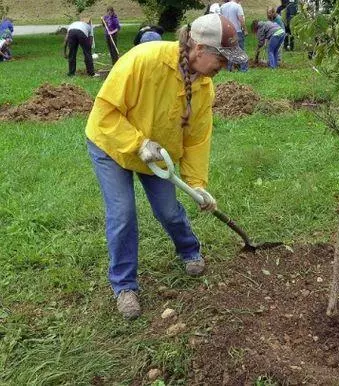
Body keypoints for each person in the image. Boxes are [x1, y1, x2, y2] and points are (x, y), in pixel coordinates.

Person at [85, 13, 248, 320]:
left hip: (158, 154)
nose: (223, 68)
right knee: (122, 214)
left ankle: (189, 251)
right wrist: (137, 143)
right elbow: (105, 113)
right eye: (222, 60)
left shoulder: (203, 86)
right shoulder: (145, 60)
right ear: (199, 50)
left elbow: (197, 139)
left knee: (169, 210)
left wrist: (197, 183)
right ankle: (124, 286)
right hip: (111, 144)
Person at [220, 0, 249, 72]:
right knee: (241, 50)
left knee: (230, 50)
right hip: (237, 31)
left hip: (226, 32)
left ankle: (229, 68)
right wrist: (245, 30)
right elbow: (241, 19)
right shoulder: (238, 6)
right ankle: (243, 69)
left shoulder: (223, 7)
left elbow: (221, 19)